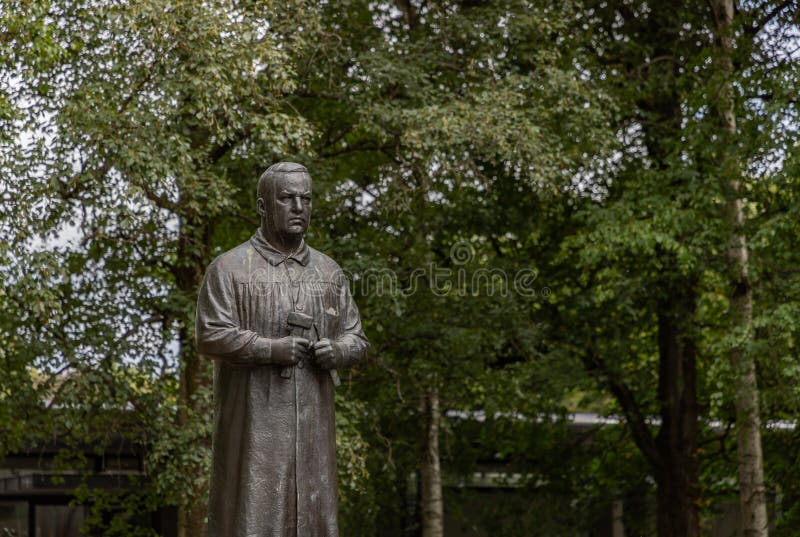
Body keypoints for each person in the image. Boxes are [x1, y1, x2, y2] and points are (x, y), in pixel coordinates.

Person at [196, 162, 369, 537]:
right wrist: (270, 349)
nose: (298, 207)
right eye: (287, 198)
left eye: (305, 199)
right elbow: (210, 334)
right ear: (262, 206)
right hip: (256, 430)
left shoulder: (328, 272)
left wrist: (337, 352)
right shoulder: (229, 269)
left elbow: (357, 338)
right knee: (253, 518)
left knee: (314, 516)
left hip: (313, 434)